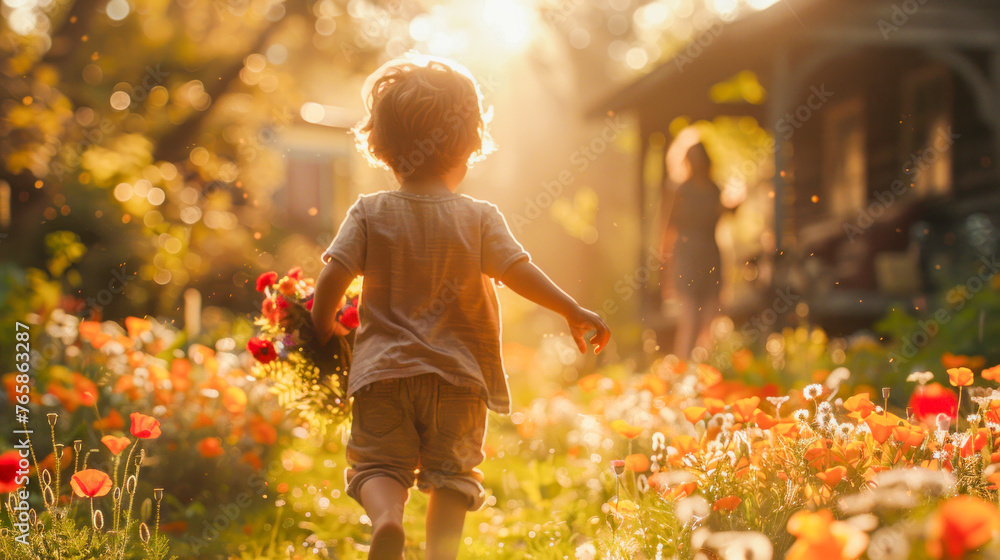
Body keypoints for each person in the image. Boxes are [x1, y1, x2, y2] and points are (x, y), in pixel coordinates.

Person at [309, 55, 610, 560]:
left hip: (383, 376)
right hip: (459, 380)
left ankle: (386, 520)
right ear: (469, 144)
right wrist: (571, 309)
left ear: (382, 146)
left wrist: (321, 329)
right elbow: (518, 271)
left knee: (377, 467)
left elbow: (333, 275)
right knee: (452, 479)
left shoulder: (369, 212)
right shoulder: (478, 218)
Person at [661, 138, 724, 359]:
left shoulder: (715, 189)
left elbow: (722, 216)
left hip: (710, 256)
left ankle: (705, 370)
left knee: (709, 318)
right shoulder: (682, 190)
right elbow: (669, 227)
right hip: (686, 257)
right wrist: (665, 263)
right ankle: (683, 368)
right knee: (689, 317)